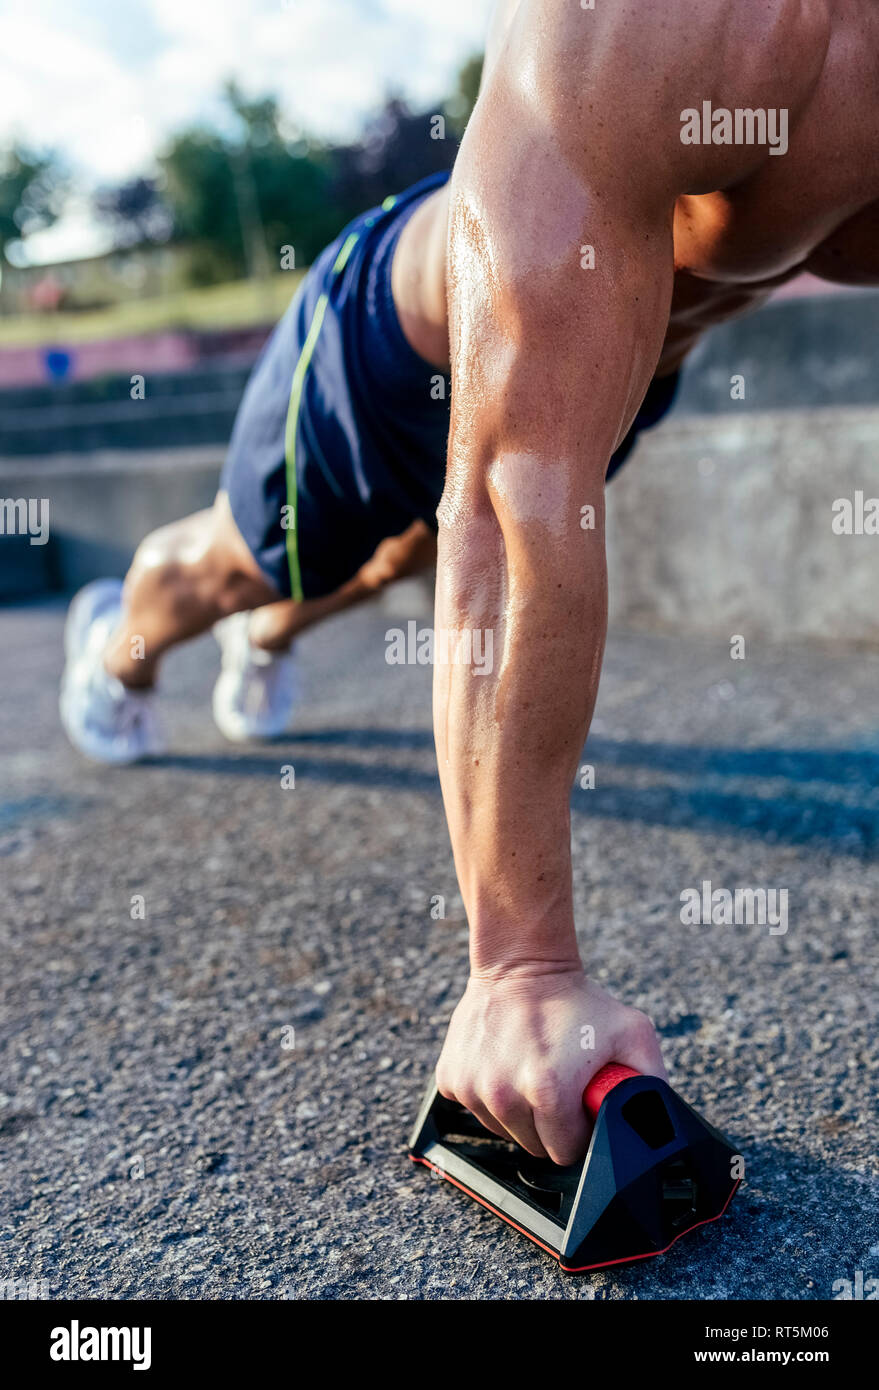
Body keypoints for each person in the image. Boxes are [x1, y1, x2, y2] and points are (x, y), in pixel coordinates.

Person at [61, 0, 879, 1165]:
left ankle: (276, 638)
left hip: (616, 362)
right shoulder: (648, 31)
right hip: (396, 351)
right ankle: (119, 644)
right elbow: (508, 496)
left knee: (401, 562)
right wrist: (521, 969)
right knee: (239, 565)